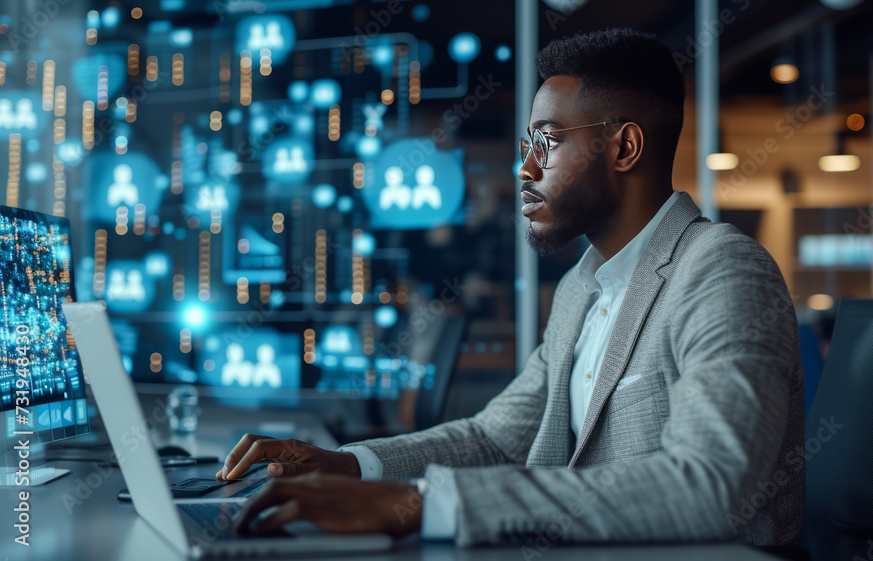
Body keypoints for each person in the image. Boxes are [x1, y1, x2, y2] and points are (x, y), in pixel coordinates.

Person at [220, 28, 805, 547]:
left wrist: (426, 505)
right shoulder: (582, 290)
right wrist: (350, 466)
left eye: (547, 141)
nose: (526, 167)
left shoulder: (720, 271)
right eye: (528, 144)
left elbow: (712, 484)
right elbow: (495, 440)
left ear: (624, 148)